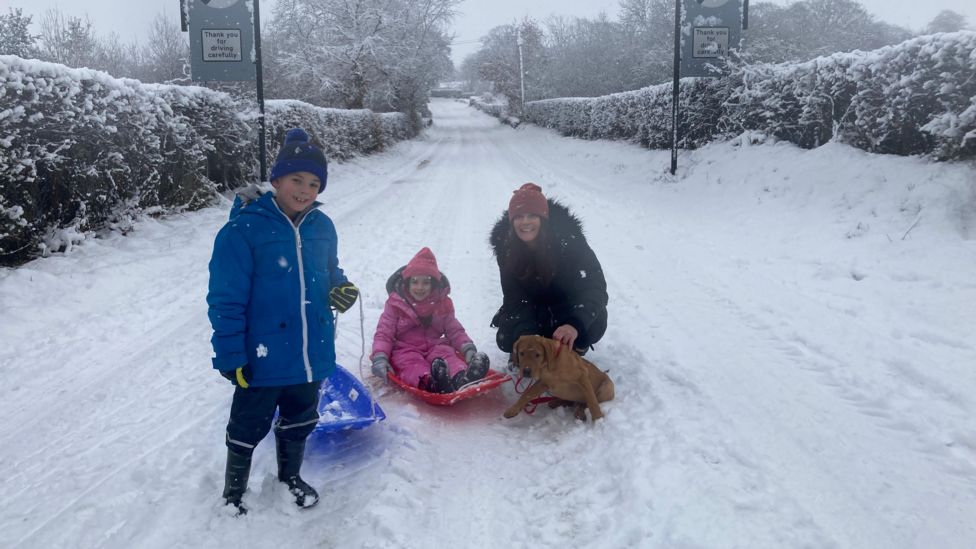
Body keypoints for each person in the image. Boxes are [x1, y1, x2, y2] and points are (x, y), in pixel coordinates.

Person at [206, 128, 360, 515]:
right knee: (247, 425)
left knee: (301, 418)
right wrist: (230, 355)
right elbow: (226, 298)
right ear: (275, 180)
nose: (305, 190)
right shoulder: (242, 231)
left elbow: (329, 270)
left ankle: (289, 476)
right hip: (263, 354)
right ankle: (233, 492)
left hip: (311, 351)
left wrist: (339, 287)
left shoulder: (322, 226)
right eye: (297, 180)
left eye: (314, 182)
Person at [489, 183, 608, 358]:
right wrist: (526, 334)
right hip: (535, 310)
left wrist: (574, 325)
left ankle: (575, 348)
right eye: (519, 216)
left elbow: (594, 288)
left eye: (532, 216)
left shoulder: (570, 242)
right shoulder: (506, 249)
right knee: (506, 338)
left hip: (568, 306)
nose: (525, 222)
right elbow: (515, 297)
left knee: (592, 325)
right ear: (512, 220)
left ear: (543, 218)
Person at [370, 247, 490, 394]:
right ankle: (431, 383)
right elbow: (384, 333)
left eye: (425, 283)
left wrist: (467, 348)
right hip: (405, 349)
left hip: (435, 346)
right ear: (407, 284)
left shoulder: (442, 303)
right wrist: (380, 357)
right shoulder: (395, 304)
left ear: (433, 284)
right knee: (412, 366)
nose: (420, 288)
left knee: (448, 358)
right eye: (415, 282)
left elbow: (454, 330)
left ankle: (462, 378)